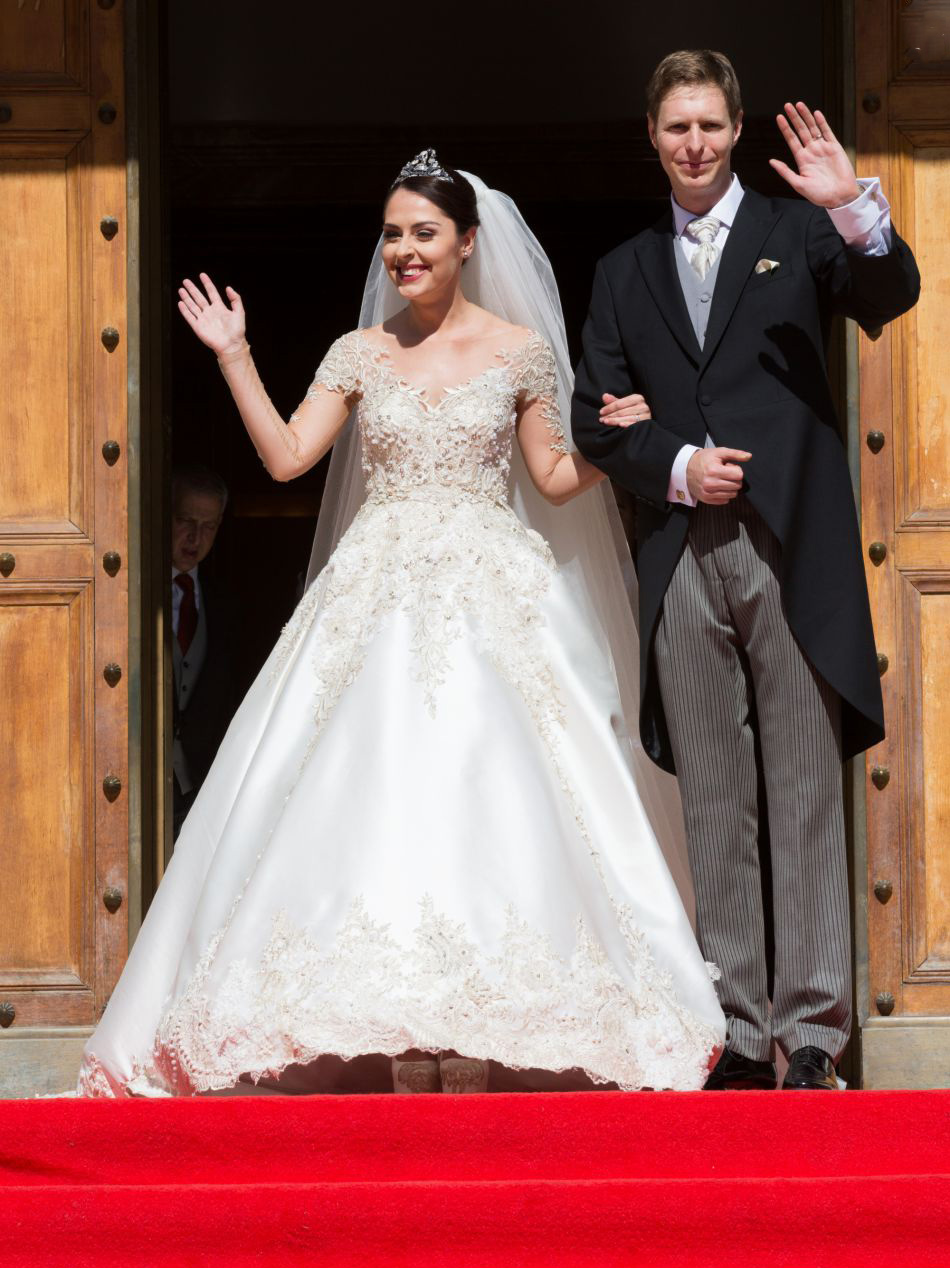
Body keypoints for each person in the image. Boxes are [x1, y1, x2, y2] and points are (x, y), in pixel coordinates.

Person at [77, 152, 725, 1099]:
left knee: (495, 787)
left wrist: (613, 441)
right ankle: (393, 1027)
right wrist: (234, 355)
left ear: (468, 243)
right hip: (375, 592)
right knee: (366, 785)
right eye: (392, 234)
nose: (404, 251)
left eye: (424, 233)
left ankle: (479, 1020)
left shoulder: (519, 351)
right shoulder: (360, 352)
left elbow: (552, 478)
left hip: (492, 591)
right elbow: (288, 456)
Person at [572, 51, 920, 1091]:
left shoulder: (796, 231)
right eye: (677, 127)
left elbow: (887, 293)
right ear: (652, 135)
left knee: (803, 786)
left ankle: (810, 1034)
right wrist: (676, 464)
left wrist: (851, 208)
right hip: (682, 550)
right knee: (715, 797)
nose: (695, 145)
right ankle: (733, 1025)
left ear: (736, 129)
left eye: (712, 126)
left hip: (790, 544)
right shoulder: (622, 270)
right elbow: (597, 416)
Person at [170, 465, 237, 838]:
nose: (195, 537)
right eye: (186, 521)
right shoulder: (131, 593)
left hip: (204, 786)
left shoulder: (227, 601)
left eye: (208, 526)